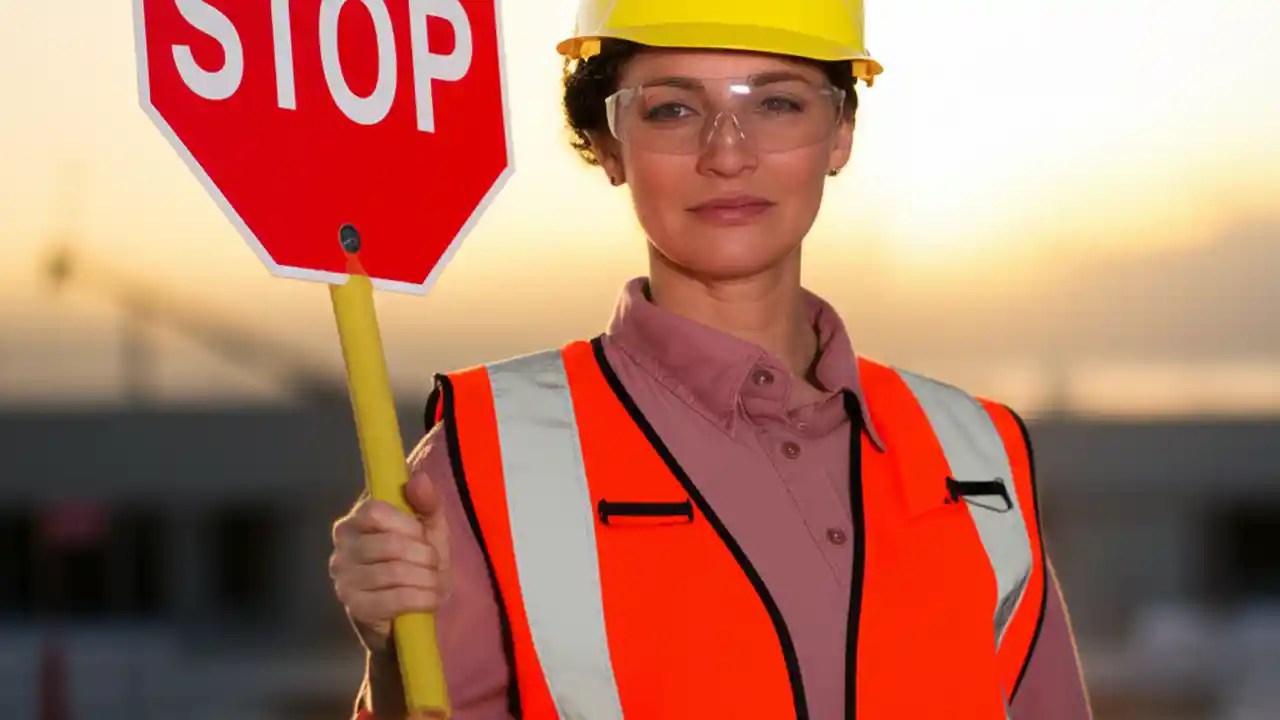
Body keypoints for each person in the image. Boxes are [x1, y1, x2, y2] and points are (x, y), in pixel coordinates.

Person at [331, 1, 1092, 718]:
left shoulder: (976, 452)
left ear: (840, 133)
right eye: (673, 108)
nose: (727, 153)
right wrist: (396, 654)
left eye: (777, 102)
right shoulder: (489, 455)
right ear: (606, 145)